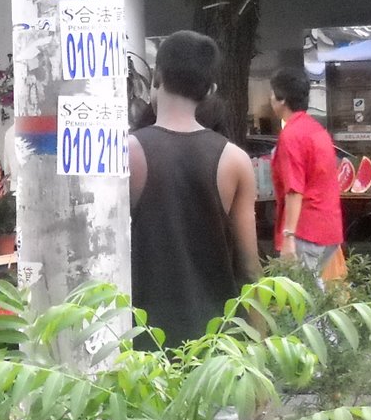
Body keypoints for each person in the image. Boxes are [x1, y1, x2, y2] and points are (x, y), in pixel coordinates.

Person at [127, 31, 261, 348]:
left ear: (156, 78)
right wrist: (258, 351)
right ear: (210, 89)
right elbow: (250, 267)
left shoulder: (125, 154)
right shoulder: (236, 161)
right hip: (216, 350)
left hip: (143, 346)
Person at [268, 69, 344, 276]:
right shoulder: (316, 130)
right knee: (314, 294)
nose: (270, 98)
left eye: (272, 93)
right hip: (329, 227)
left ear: (282, 100)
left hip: (305, 229)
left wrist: (289, 236)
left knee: (302, 298)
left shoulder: (291, 135)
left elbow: (294, 189)